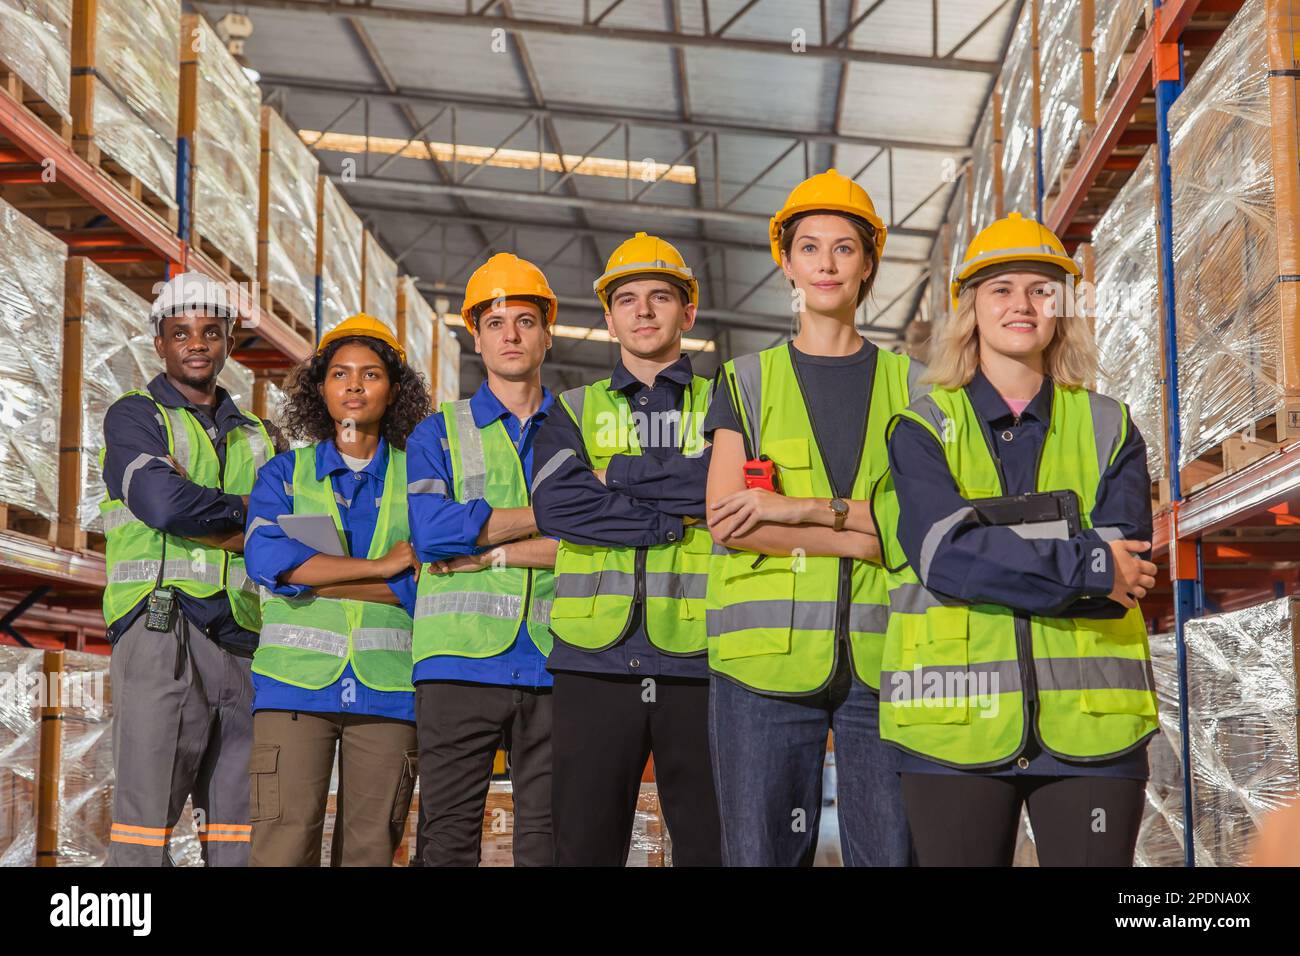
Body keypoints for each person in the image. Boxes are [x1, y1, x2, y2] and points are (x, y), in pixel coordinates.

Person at [873, 212, 1159, 866]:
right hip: (952, 732)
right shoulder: (921, 427)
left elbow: (1128, 572)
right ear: (970, 307)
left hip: (1095, 731)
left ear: (1061, 308)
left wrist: (991, 545)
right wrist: (1085, 561)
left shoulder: (1108, 425)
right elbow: (943, 557)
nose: (1022, 304)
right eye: (1001, 289)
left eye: (1041, 289)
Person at [703, 169, 924, 867]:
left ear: (868, 266)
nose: (826, 264)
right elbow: (725, 521)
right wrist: (863, 530)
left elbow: (919, 526)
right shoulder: (743, 380)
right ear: (786, 262)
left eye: (844, 249)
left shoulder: (916, 387)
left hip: (886, 659)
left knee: (891, 854)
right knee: (760, 856)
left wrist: (799, 506)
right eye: (809, 247)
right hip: (760, 668)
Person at [532, 232, 721, 866]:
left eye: (660, 296)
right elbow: (559, 507)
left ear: (687, 313)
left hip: (699, 659)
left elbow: (721, 490)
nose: (643, 311)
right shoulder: (569, 409)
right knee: (584, 848)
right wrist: (674, 522)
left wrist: (615, 475)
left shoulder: (730, 401)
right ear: (609, 319)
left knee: (709, 846)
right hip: (594, 663)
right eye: (628, 299)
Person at [101, 272, 278, 866]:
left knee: (237, 824)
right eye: (182, 332)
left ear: (229, 338)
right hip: (161, 632)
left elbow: (293, 529)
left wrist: (203, 507)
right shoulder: (134, 417)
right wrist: (248, 513)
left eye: (210, 331)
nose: (196, 343)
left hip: (244, 639)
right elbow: (160, 503)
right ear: (160, 342)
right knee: (146, 823)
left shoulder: (260, 435)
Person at [243, 313, 431, 866]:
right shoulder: (284, 475)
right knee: (282, 848)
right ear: (320, 388)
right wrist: (383, 568)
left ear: (394, 390)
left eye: (370, 374)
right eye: (340, 374)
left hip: (390, 693)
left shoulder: (423, 478)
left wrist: (315, 580)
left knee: (371, 852)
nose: (354, 385)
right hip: (292, 690)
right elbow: (267, 561)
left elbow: (426, 588)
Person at [406, 253, 558, 867]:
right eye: (496, 323)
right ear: (476, 335)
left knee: (547, 845)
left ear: (547, 330)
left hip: (556, 660)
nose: (512, 335)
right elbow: (435, 535)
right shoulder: (437, 432)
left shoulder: (574, 429)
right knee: (446, 841)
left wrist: (490, 552)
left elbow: (597, 537)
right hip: (457, 666)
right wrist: (549, 521)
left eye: (525, 320)